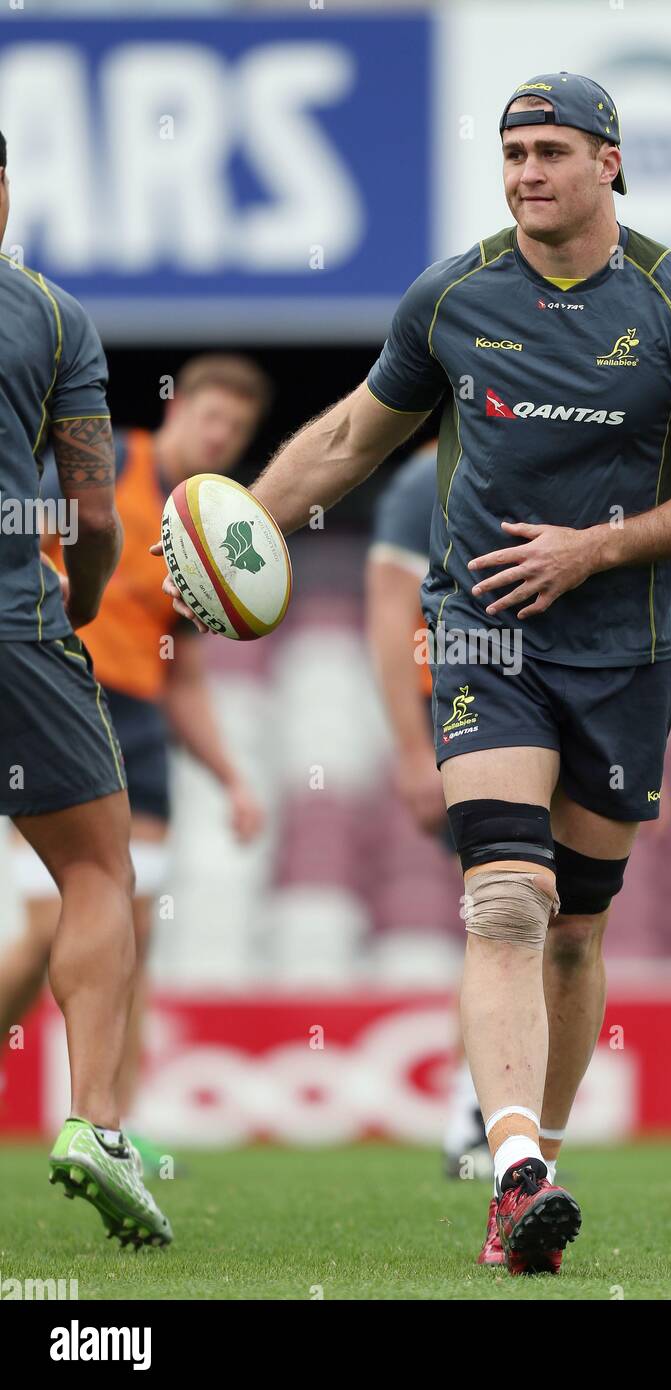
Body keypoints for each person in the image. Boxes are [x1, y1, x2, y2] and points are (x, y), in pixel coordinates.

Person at [163, 71, 671, 1274]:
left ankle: (539, 1150)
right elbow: (347, 437)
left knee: (575, 933)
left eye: (551, 149)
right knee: (506, 900)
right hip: (483, 640)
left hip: (624, 653)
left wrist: (595, 547)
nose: (526, 171)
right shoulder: (452, 295)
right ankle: (513, 1172)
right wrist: (237, 535)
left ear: (610, 163)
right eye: (511, 152)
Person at [2, 356, 268, 1171]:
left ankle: (113, 1125)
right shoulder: (108, 467)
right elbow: (19, 552)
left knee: (134, 935)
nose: (219, 434)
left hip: (140, 731)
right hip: (54, 697)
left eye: (237, 428)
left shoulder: (205, 535)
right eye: (210, 416)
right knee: (56, 923)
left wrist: (230, 776)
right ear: (177, 409)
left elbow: (182, 674)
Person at [0, 130, 170, 1246]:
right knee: (99, 867)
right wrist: (83, 595)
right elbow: (95, 512)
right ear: (5, 187)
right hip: (15, 624)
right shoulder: (54, 318)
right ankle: (96, 1124)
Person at [366, 441, 491, 1189]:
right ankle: (471, 1110)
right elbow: (389, 608)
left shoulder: (550, 455)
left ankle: (483, 1109)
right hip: (465, 703)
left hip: (550, 694)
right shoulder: (425, 481)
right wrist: (413, 751)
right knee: (505, 902)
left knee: (547, 911)